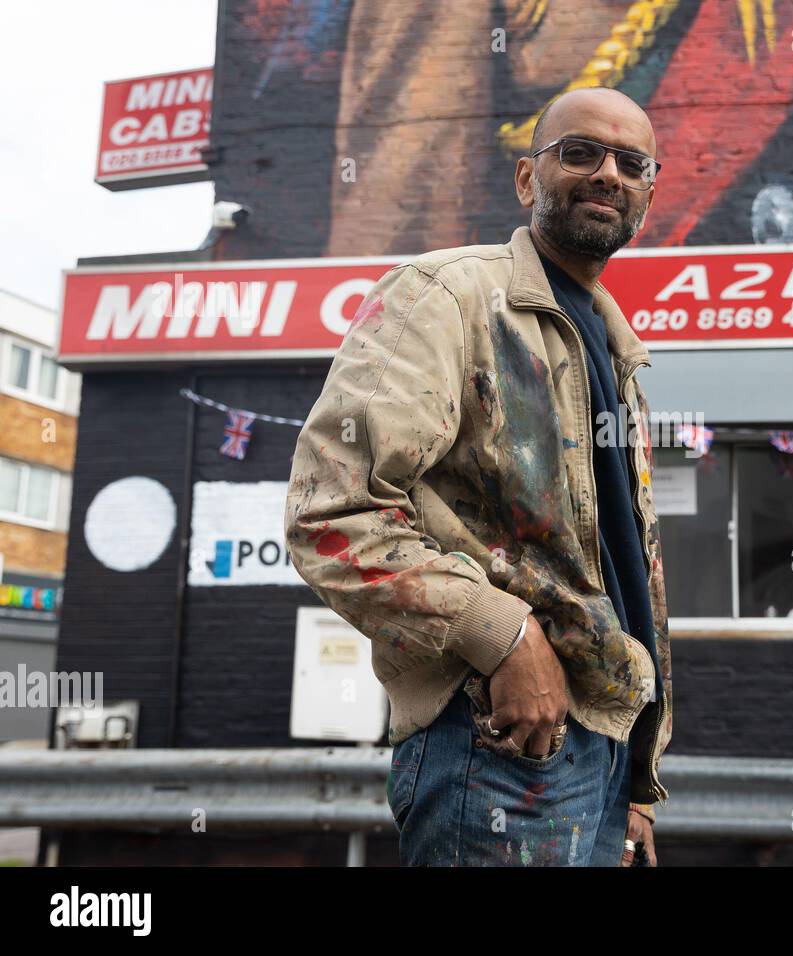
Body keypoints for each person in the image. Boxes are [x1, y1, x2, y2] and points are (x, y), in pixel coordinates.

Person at [285, 87, 672, 866]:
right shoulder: (447, 298)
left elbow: (626, 577)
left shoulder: (616, 352)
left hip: (598, 756)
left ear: (648, 194)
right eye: (580, 153)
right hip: (495, 745)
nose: (607, 174)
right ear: (528, 179)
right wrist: (505, 635)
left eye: (630, 163)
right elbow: (332, 513)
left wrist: (635, 777)